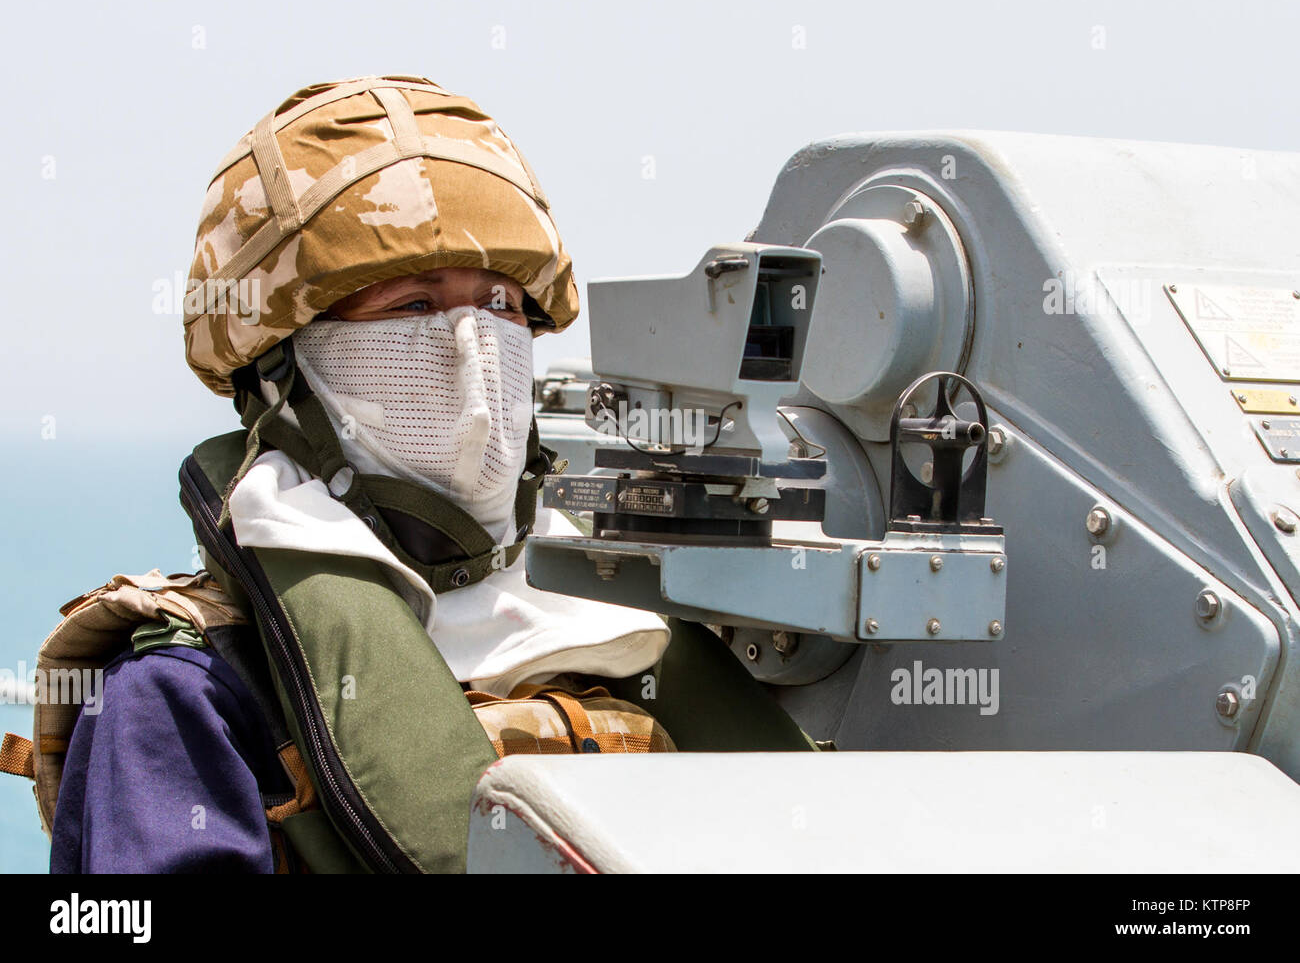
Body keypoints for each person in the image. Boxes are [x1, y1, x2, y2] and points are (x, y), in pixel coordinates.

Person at [45, 75, 813, 874]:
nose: (473, 346)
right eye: (412, 306)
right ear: (281, 366)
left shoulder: (626, 629)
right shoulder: (185, 691)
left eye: (504, 304)